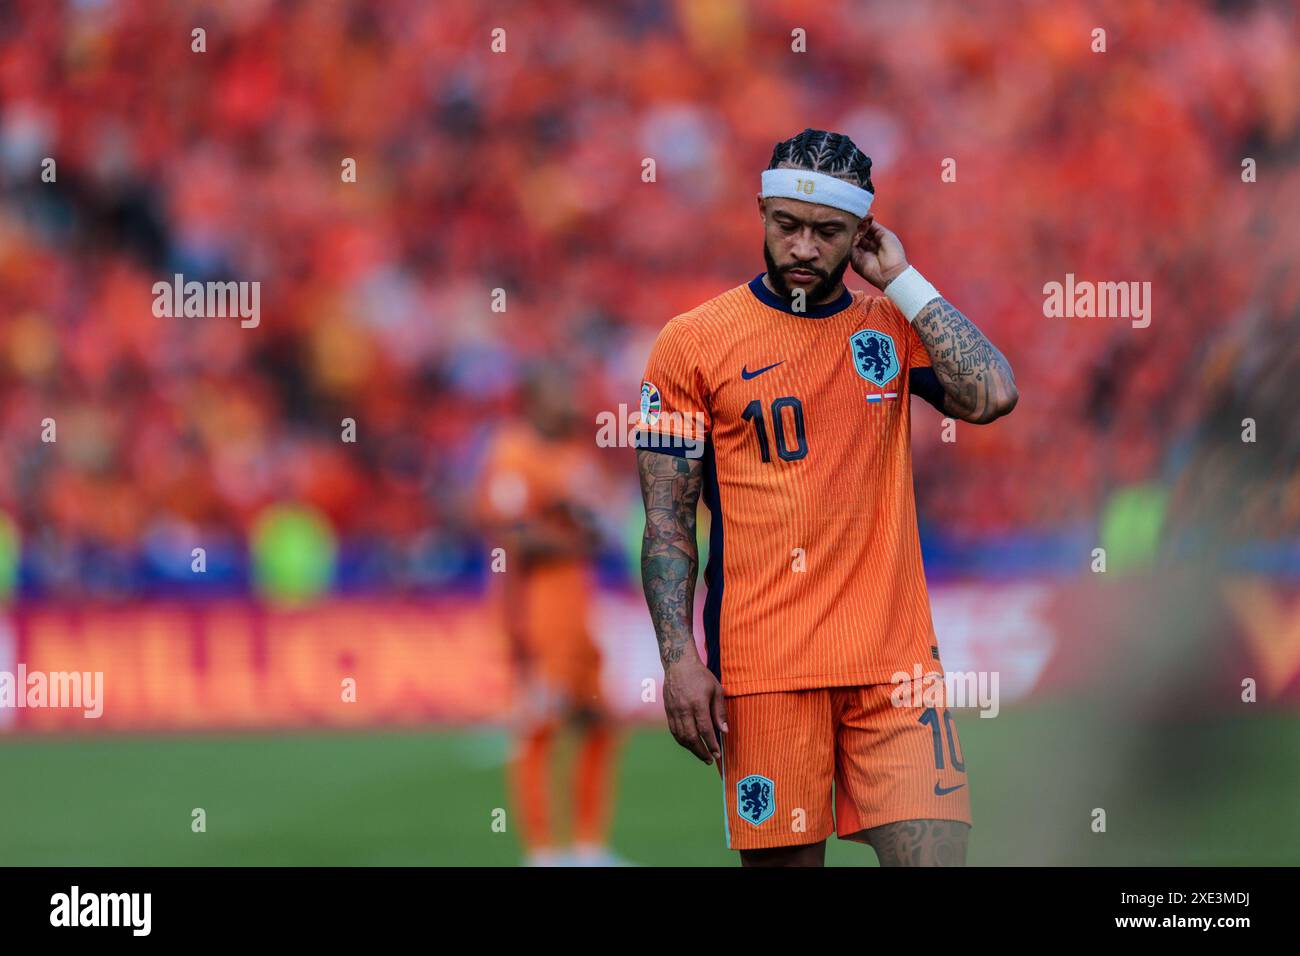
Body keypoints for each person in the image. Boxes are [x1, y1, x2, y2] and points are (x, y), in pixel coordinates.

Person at [634, 128, 1017, 866]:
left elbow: (993, 394)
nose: (804, 247)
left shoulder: (890, 326)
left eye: (827, 232)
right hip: (766, 670)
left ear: (860, 234)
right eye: (788, 226)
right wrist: (680, 659)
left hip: (895, 665)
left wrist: (901, 279)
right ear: (761, 214)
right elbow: (667, 520)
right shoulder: (691, 344)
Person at [480, 365, 622, 866]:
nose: (571, 402)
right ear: (536, 400)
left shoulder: (574, 455)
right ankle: (541, 852)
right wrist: (574, 537)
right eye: (561, 391)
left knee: (600, 722)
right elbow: (517, 538)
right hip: (539, 610)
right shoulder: (513, 453)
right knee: (539, 728)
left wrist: (579, 528)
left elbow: (603, 525)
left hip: (580, 610)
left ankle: (588, 846)